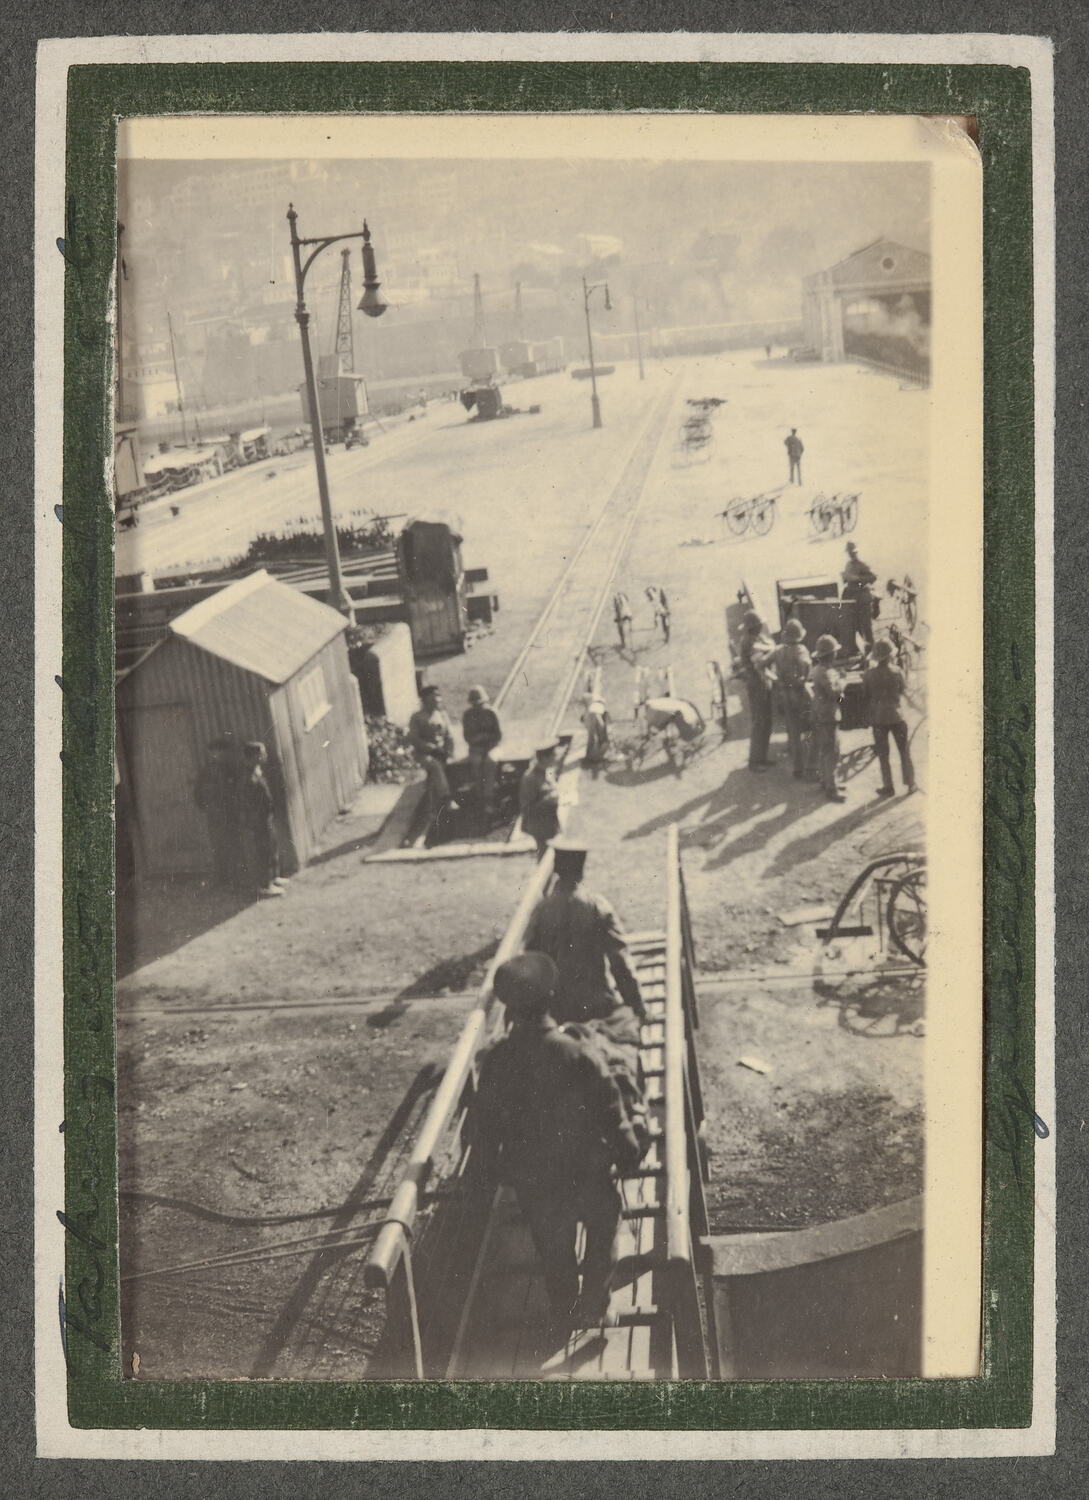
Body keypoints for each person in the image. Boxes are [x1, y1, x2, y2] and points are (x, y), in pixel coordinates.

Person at [474, 952, 648, 1334]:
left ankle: (564, 1307)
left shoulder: (497, 1061)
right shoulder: (579, 1053)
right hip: (586, 1173)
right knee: (603, 1232)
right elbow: (612, 1114)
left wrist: (495, 1172)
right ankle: (595, 1306)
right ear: (552, 996)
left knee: (553, 1248)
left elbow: (483, 1130)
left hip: (534, 1181)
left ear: (507, 1004)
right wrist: (629, 1154)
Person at [524, 839, 646, 1056]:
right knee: (625, 1035)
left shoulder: (541, 911)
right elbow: (620, 961)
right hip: (597, 1006)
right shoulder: (596, 905)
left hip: (557, 1010)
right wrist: (636, 1005)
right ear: (581, 872)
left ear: (557, 871)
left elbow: (531, 963)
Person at [863, 637, 917, 796]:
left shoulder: (869, 674)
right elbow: (902, 690)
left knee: (883, 754)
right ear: (890, 656)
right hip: (896, 716)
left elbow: (866, 694)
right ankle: (911, 783)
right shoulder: (897, 672)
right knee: (904, 751)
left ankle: (888, 786)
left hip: (878, 719)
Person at [194, 733, 244, 886]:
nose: (219, 754)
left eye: (222, 751)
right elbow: (198, 792)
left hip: (231, 814)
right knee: (219, 846)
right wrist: (208, 808)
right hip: (215, 816)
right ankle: (223, 879)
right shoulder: (207, 771)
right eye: (216, 751)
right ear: (211, 753)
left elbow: (239, 790)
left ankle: (238, 878)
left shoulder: (232, 769)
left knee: (235, 845)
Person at [241, 741, 286, 897]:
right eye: (262, 753)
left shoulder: (257, 771)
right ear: (253, 756)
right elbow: (248, 802)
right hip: (258, 820)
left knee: (271, 847)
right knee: (263, 851)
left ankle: (274, 877)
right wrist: (257, 819)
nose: (265, 756)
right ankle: (265, 885)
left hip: (265, 818)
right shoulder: (248, 777)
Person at [771, 617, 813, 779]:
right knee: (812, 726)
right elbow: (806, 664)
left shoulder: (779, 650)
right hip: (800, 692)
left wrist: (777, 680)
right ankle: (813, 766)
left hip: (785, 694)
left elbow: (763, 664)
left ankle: (798, 768)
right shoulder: (800, 650)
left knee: (793, 731)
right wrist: (804, 678)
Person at [808, 634, 846, 802]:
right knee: (832, 751)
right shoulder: (828, 673)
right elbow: (835, 696)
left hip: (819, 713)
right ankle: (832, 788)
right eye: (834, 652)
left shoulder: (816, 670)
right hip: (829, 715)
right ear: (830, 655)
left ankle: (827, 781)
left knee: (825, 750)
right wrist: (843, 684)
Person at [408, 684, 456, 821]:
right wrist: (431, 748)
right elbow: (414, 739)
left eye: (438, 697)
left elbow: (449, 736)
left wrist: (449, 752)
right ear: (425, 700)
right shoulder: (417, 717)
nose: (437, 700)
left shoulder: (441, 714)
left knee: (438, 772)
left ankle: (432, 810)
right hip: (423, 754)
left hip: (441, 752)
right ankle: (447, 799)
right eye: (433, 698)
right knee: (434, 766)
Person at [739, 610, 775, 770]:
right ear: (754, 627)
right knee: (760, 721)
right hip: (757, 684)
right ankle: (755, 761)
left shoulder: (754, 638)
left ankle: (762, 757)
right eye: (759, 625)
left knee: (766, 721)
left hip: (761, 683)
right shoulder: (749, 642)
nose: (761, 627)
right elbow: (760, 664)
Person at [462, 685, 502, 821]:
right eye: (475, 704)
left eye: (480, 703)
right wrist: (477, 741)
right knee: (476, 763)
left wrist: (487, 740)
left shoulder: (491, 713)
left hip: (492, 746)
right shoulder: (467, 716)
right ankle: (479, 798)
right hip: (476, 748)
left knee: (490, 762)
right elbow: (467, 736)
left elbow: (498, 735)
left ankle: (489, 798)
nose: (478, 707)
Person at [519, 742, 562, 855]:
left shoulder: (548, 770)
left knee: (551, 854)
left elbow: (552, 786)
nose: (556, 758)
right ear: (544, 758)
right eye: (553, 755)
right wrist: (548, 800)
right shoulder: (530, 778)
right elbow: (526, 808)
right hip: (539, 824)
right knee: (545, 853)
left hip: (551, 820)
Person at [842, 542, 878, 649]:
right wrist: (845, 577)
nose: (851, 554)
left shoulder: (862, 565)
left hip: (862, 599)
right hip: (851, 599)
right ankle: (860, 650)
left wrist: (858, 579)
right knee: (854, 627)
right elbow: (847, 579)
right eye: (849, 553)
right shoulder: (848, 565)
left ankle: (872, 650)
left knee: (866, 628)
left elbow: (873, 578)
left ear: (856, 552)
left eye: (853, 552)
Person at [581, 691, 611, 765]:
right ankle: (595, 757)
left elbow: (583, 718)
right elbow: (600, 720)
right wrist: (602, 727)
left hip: (589, 718)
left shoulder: (593, 705)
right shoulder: (599, 707)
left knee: (591, 737)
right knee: (599, 738)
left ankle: (590, 755)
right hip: (594, 717)